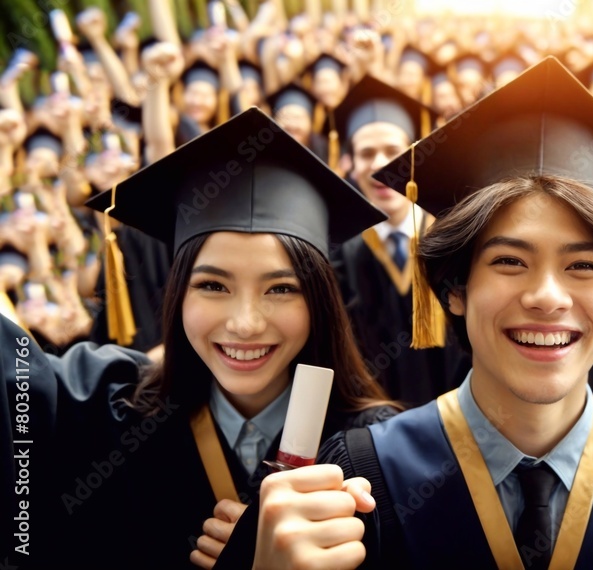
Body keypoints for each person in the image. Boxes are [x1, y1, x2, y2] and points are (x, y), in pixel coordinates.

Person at [214, 56, 593, 570]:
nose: (547, 297)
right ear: (455, 288)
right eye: (509, 261)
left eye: (582, 267)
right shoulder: (354, 484)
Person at [1, 107, 401, 569]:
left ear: (319, 302)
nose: (245, 323)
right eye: (213, 285)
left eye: (281, 288)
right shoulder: (108, 416)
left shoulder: (376, 457)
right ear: (177, 296)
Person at [330, 74, 469, 407]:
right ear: (350, 164)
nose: (379, 164)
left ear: (416, 155)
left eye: (393, 151)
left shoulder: (457, 244)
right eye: (366, 153)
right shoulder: (337, 258)